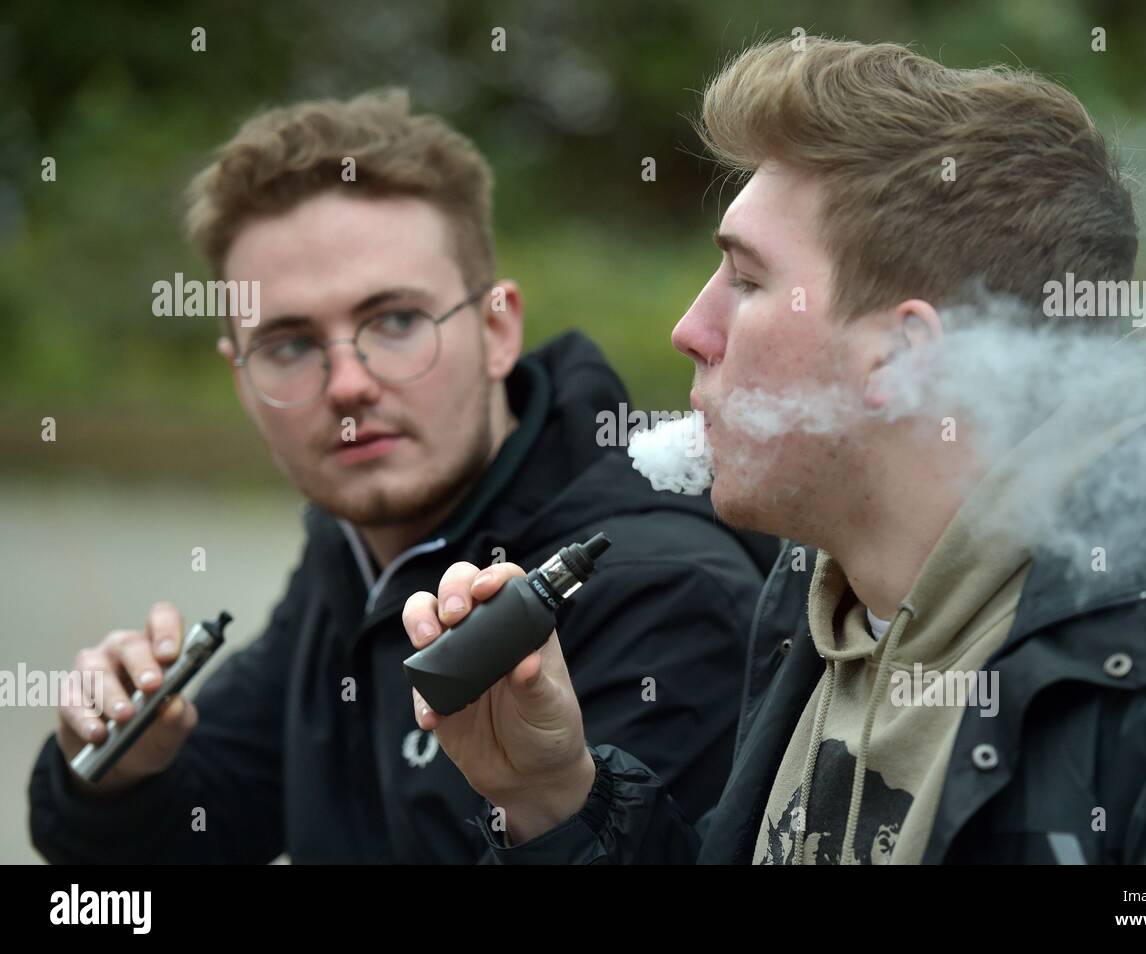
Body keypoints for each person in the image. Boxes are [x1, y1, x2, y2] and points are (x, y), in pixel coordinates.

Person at [401, 38, 1146, 864]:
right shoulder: (822, 605)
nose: (689, 330)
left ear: (905, 355)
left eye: (748, 281)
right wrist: (553, 798)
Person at [28, 89, 775, 863]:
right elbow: (189, 837)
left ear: (496, 329)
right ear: (239, 376)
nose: (347, 383)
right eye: (288, 344)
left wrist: (550, 808)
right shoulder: (353, 550)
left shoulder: (665, 592)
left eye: (394, 323)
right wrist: (117, 774)